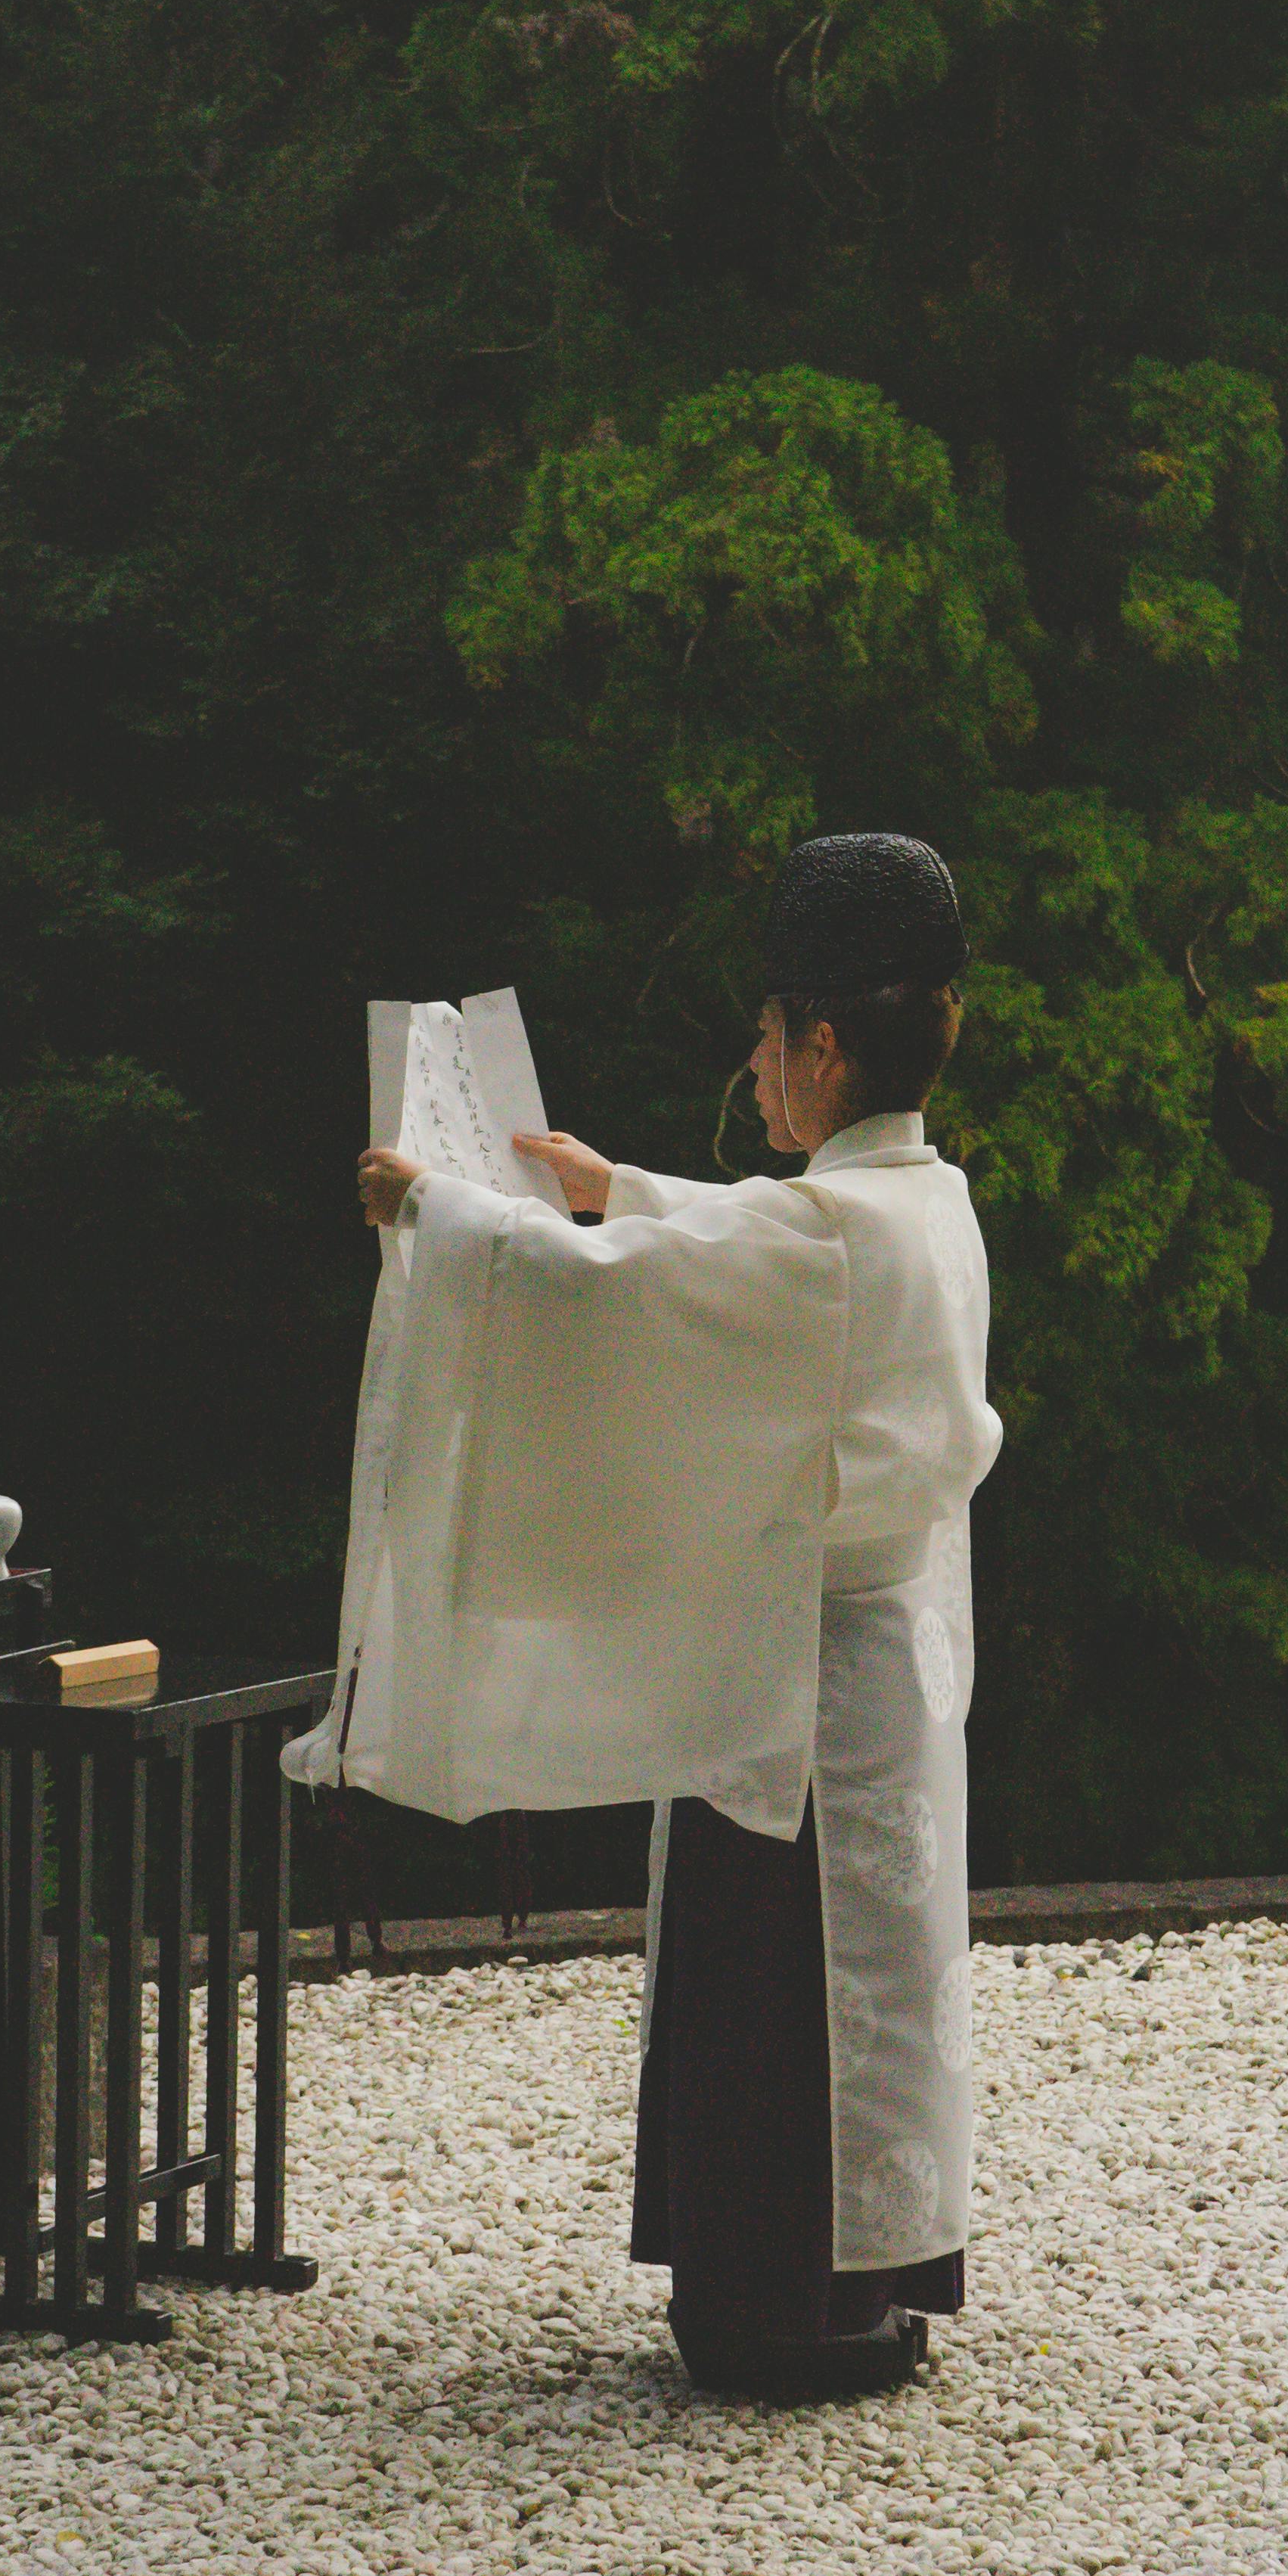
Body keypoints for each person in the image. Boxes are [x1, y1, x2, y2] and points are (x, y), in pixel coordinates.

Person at [285, 834, 1000, 2400]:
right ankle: (851, 2291)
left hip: (804, 1683)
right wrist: (621, 1195)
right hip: (867, 1665)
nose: (750, 1069)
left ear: (821, 1047)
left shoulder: (832, 1235)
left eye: (763, 1038)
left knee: (783, 1989)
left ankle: (777, 2314)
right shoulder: (918, 1202)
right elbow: (736, 1254)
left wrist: (443, 1227)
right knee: (849, 1993)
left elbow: (641, 1310)